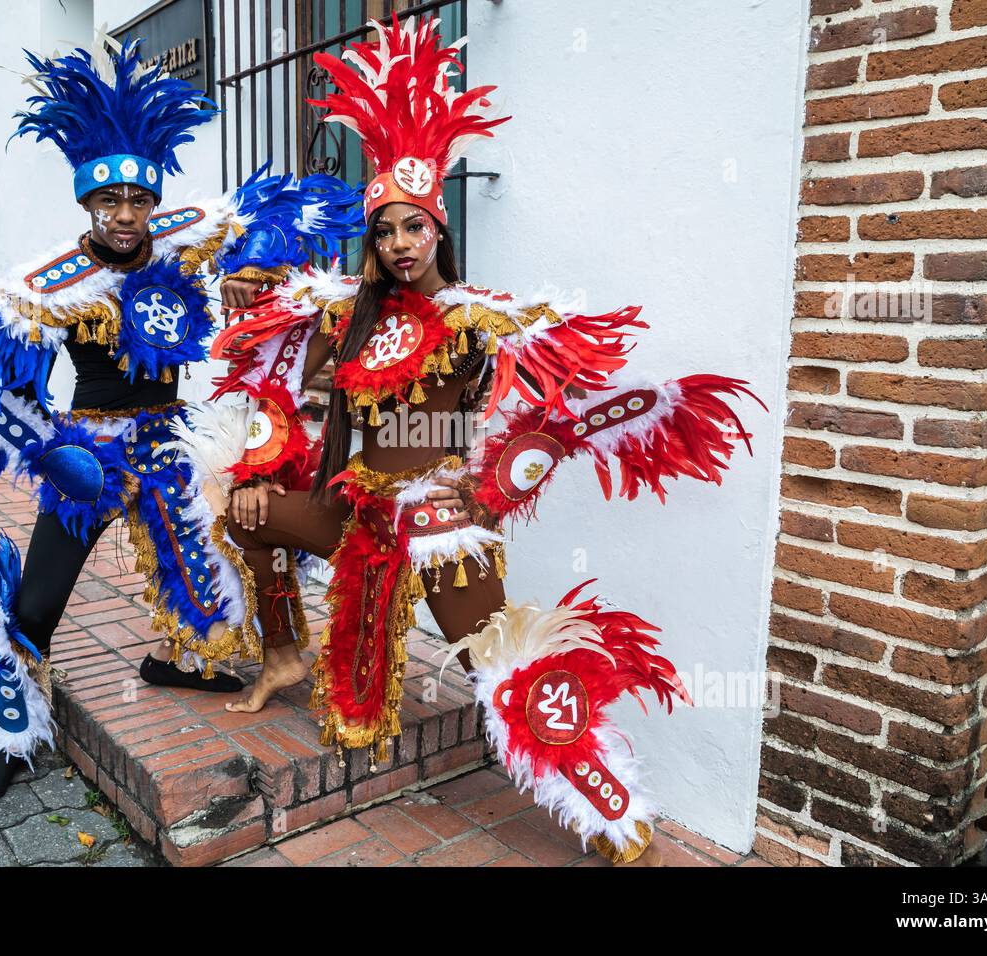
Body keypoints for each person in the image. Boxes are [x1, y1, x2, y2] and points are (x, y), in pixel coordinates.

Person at [178, 14, 764, 864]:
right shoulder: (347, 313)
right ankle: (282, 657)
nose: (399, 244)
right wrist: (262, 465)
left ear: (440, 228)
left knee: (502, 658)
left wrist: (488, 494)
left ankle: (615, 810)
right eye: (384, 230)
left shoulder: (478, 319)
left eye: (414, 227)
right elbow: (271, 383)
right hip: (351, 511)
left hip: (430, 527)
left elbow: (557, 419)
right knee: (243, 511)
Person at [0, 35, 363, 800]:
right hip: (92, 452)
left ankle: (174, 661)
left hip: (171, 438)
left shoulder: (181, 236)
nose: (127, 215)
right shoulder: (50, 282)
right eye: (110, 201)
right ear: (86, 201)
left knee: (204, 581)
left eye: (139, 199)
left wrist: (252, 264)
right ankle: (12, 733)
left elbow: (271, 209)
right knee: (39, 597)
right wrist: (46, 450)